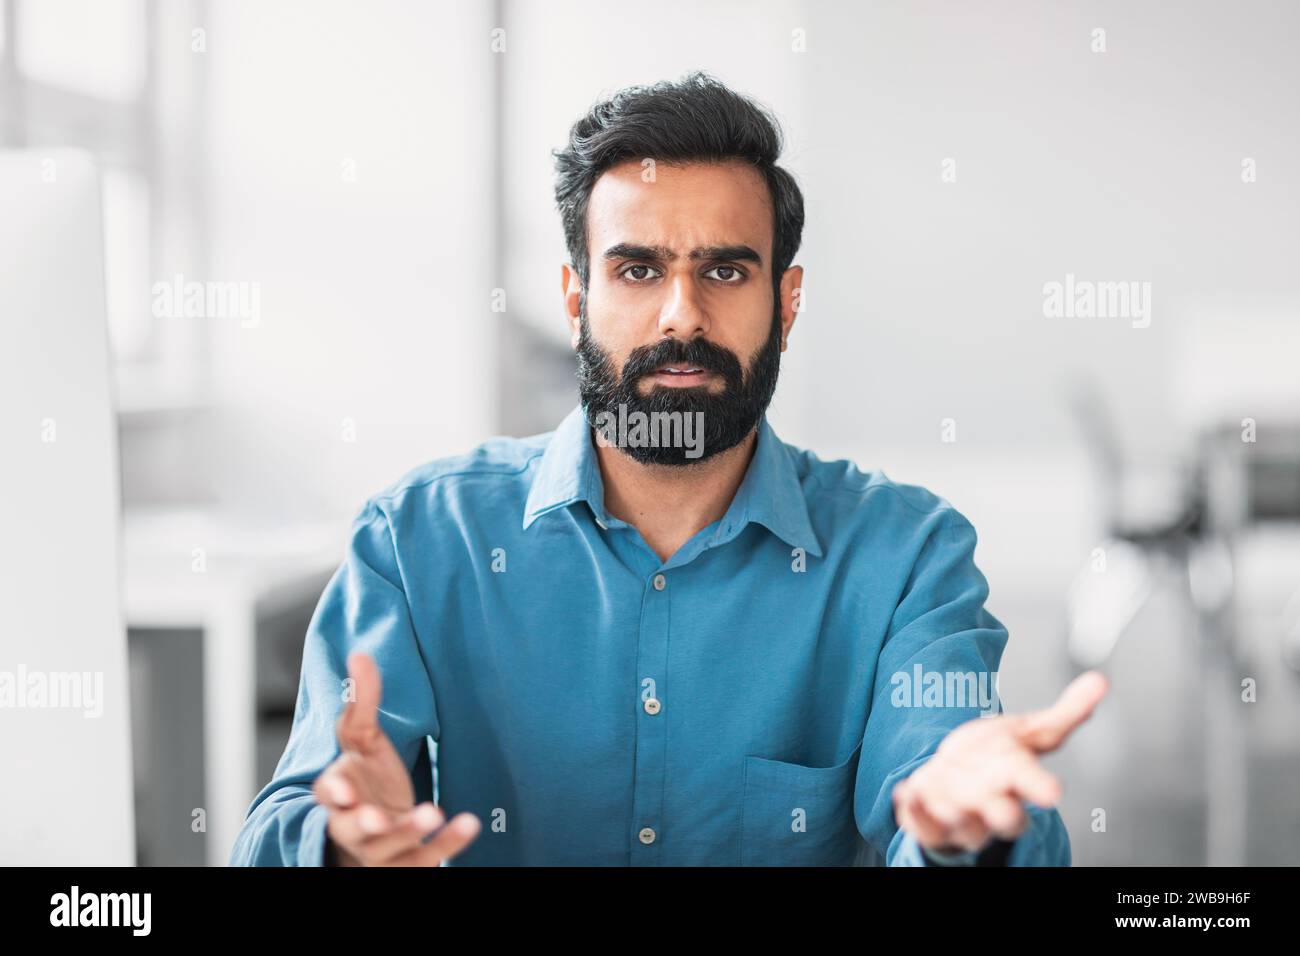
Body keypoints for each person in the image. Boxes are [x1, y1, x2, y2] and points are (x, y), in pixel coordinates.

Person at [230, 71, 1107, 867]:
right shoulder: (418, 540)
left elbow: (949, 773)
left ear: (786, 302)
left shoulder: (906, 554)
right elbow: (279, 832)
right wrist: (340, 844)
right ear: (578, 301)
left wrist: (969, 829)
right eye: (638, 269)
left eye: (725, 269)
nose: (681, 315)